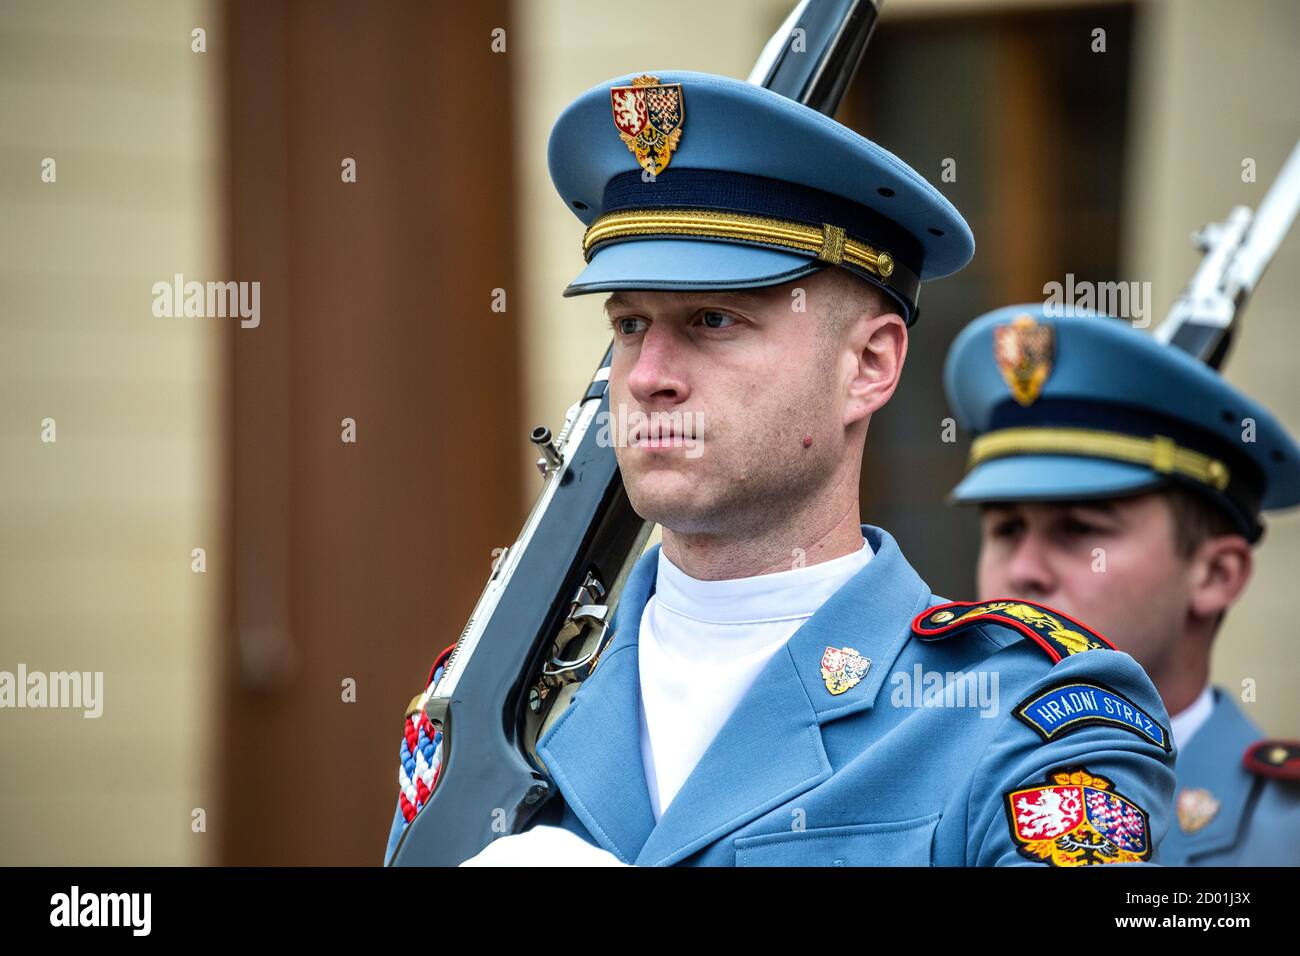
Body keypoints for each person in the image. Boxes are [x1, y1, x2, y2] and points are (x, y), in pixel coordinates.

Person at [384, 70, 1176, 867]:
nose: (648, 374)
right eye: (629, 323)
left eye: (713, 319)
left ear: (867, 364)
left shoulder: (1025, 716)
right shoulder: (503, 704)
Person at [943, 303, 1300, 865]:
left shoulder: (1286, 832)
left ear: (1215, 575)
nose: (1023, 570)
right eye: (1007, 527)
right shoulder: (923, 788)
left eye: (1079, 530)